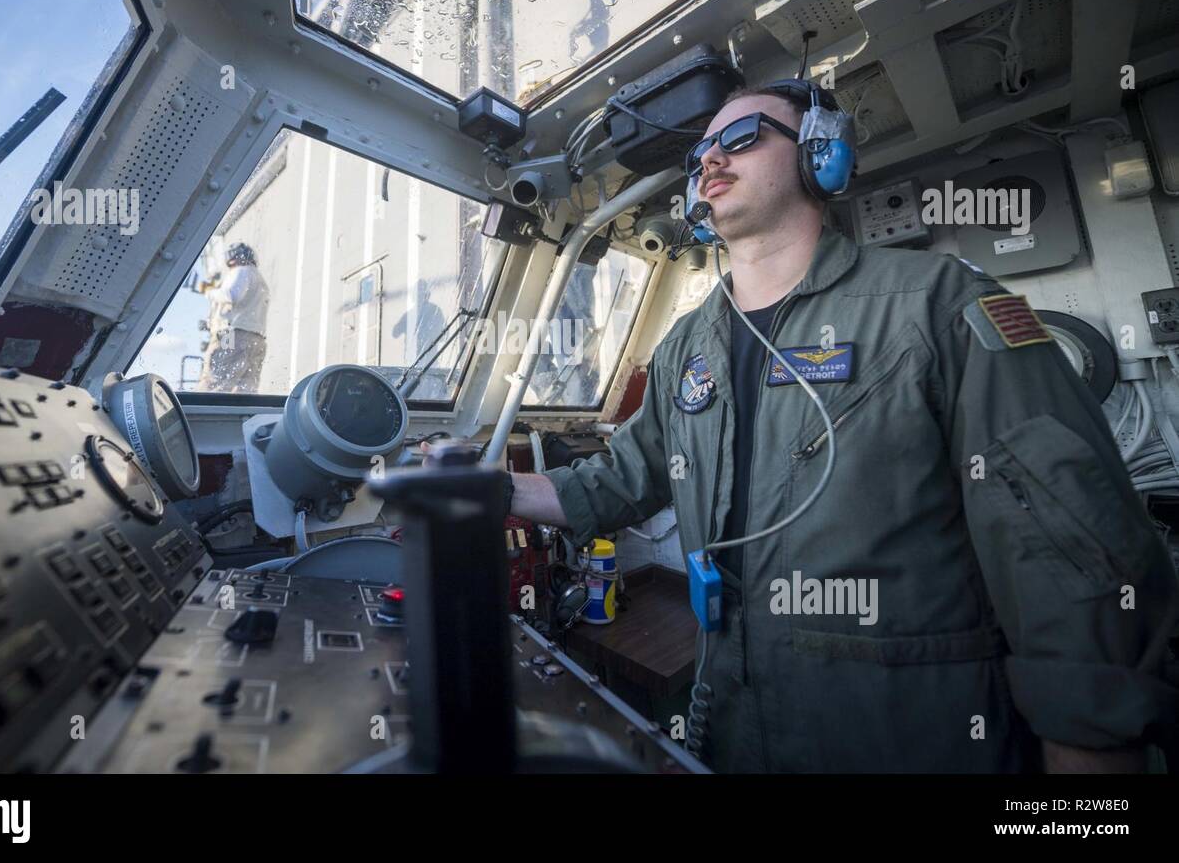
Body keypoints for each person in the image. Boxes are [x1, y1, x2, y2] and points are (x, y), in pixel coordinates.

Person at [505, 79, 1179, 773]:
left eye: (742, 138)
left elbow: (1062, 534)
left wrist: (1090, 746)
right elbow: (621, 480)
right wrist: (498, 492)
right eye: (700, 152)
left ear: (820, 154)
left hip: (914, 730)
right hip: (737, 715)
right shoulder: (685, 346)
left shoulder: (936, 303)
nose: (710, 161)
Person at [198, 241, 270, 393]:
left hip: (231, 335)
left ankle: (205, 416)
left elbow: (231, 295)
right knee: (246, 391)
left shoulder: (242, 271)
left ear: (232, 258)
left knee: (215, 383)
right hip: (257, 340)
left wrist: (208, 290)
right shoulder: (260, 280)